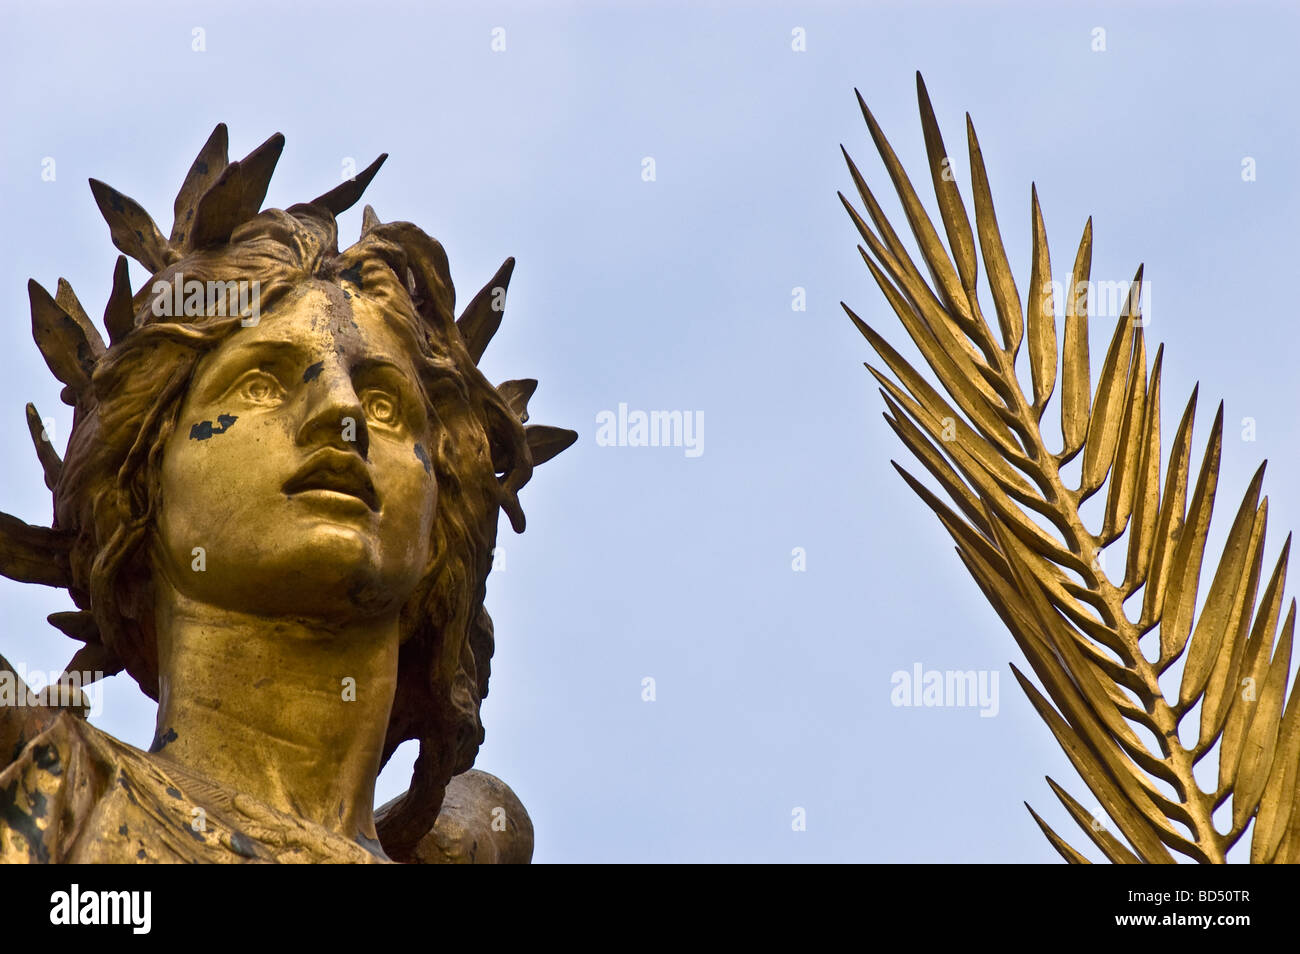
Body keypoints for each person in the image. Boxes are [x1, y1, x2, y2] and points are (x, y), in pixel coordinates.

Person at [0, 125, 573, 863]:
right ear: (137, 485)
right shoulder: (47, 796)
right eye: (261, 382)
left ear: (444, 518)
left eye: (387, 405)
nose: (342, 413)